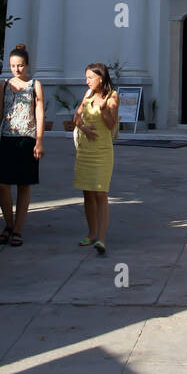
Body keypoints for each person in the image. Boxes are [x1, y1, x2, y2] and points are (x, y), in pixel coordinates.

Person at [0, 45, 44, 247]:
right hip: (8, 139)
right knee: (3, 184)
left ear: (27, 65)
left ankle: (17, 229)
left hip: (27, 139)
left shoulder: (35, 84)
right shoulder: (4, 84)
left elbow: (39, 113)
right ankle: (8, 224)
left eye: (20, 66)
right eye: (12, 66)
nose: (16, 69)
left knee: (23, 185)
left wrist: (39, 140)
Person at [73, 63, 119, 255]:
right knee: (87, 193)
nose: (87, 81)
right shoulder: (87, 94)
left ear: (101, 78)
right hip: (85, 150)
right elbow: (76, 118)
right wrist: (83, 128)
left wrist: (103, 110)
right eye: (86, 78)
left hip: (102, 151)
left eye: (90, 78)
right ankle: (91, 233)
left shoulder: (112, 97)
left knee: (100, 193)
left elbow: (111, 124)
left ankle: (102, 238)